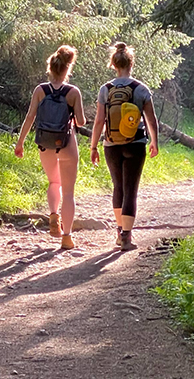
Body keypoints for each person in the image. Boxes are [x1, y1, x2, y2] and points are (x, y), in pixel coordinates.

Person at [15, 45, 87, 250]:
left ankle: (54, 216)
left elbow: (30, 117)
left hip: (45, 143)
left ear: (51, 68)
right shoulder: (73, 92)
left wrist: (20, 142)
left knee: (54, 182)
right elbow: (80, 121)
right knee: (69, 192)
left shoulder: (40, 90)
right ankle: (67, 237)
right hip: (67, 143)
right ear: (67, 69)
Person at [89, 42, 159, 251]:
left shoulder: (105, 89)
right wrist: (154, 142)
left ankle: (119, 232)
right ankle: (127, 237)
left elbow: (99, 121)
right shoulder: (141, 89)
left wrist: (93, 147)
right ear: (131, 63)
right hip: (135, 144)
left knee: (118, 187)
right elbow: (151, 120)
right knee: (131, 190)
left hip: (111, 145)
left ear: (113, 65)